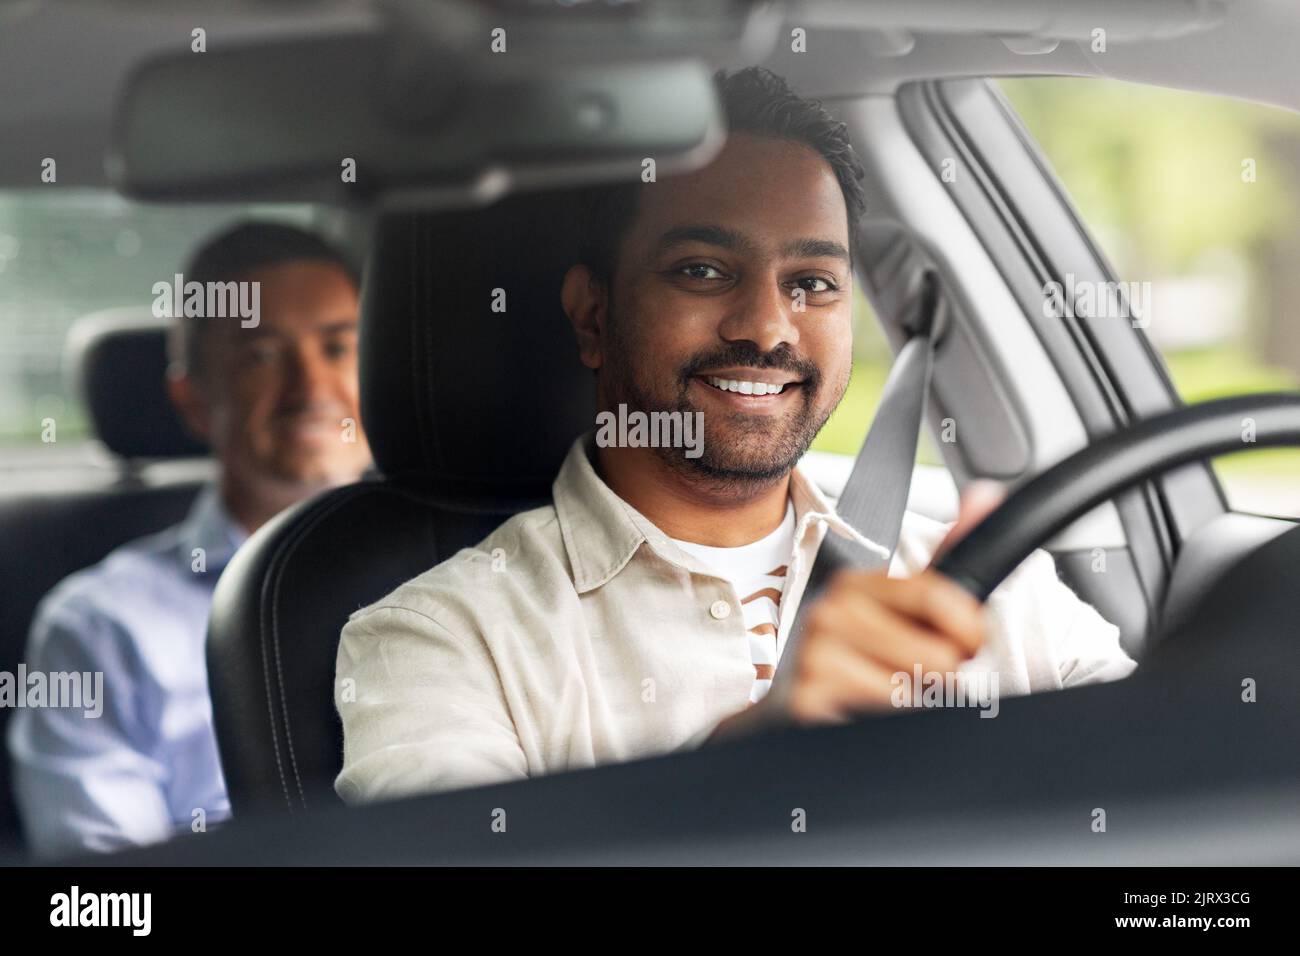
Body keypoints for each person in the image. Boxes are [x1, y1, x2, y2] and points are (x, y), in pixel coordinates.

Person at [333, 68, 1135, 804]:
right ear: (592, 314)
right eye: (702, 270)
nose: (766, 328)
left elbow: (1177, 795)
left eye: (813, 283)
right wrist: (755, 758)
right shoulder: (439, 638)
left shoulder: (981, 581)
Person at [8, 222, 373, 857]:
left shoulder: (475, 569)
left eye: (338, 349)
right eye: (261, 355)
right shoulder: (101, 626)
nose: (312, 389)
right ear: (194, 397)